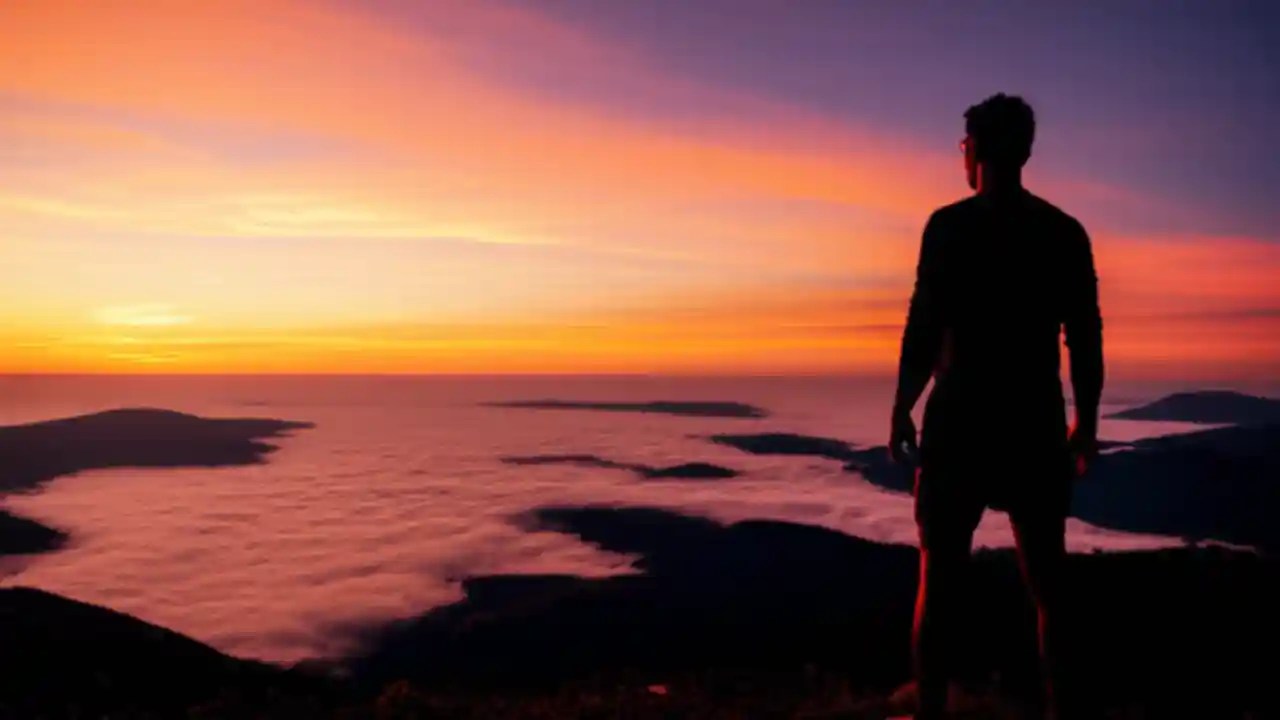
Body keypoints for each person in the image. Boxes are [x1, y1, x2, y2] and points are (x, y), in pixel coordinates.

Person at [889, 93, 1104, 719]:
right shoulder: (1063, 234)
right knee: (1050, 590)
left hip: (957, 425)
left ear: (975, 151)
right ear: (1026, 151)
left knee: (939, 585)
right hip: (1033, 426)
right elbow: (1084, 338)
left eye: (963, 147)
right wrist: (1084, 425)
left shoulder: (949, 228)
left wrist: (903, 404)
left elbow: (922, 327)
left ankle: (930, 711)